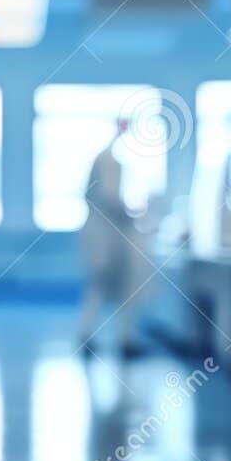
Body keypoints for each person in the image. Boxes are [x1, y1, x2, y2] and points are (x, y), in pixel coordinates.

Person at [78, 120, 145, 357]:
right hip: (107, 234)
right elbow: (111, 197)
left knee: (104, 285)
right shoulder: (110, 160)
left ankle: (105, 336)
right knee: (112, 285)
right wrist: (134, 213)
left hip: (103, 232)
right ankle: (121, 339)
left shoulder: (105, 157)